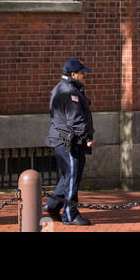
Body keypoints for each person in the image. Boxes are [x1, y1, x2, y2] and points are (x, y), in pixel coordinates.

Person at [42, 57, 95, 226]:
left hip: (63, 141)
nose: (84, 75)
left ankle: (52, 205)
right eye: (82, 73)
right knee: (72, 176)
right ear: (73, 74)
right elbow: (75, 119)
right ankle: (70, 214)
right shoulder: (69, 92)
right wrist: (87, 137)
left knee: (68, 176)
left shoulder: (62, 88)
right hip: (68, 142)